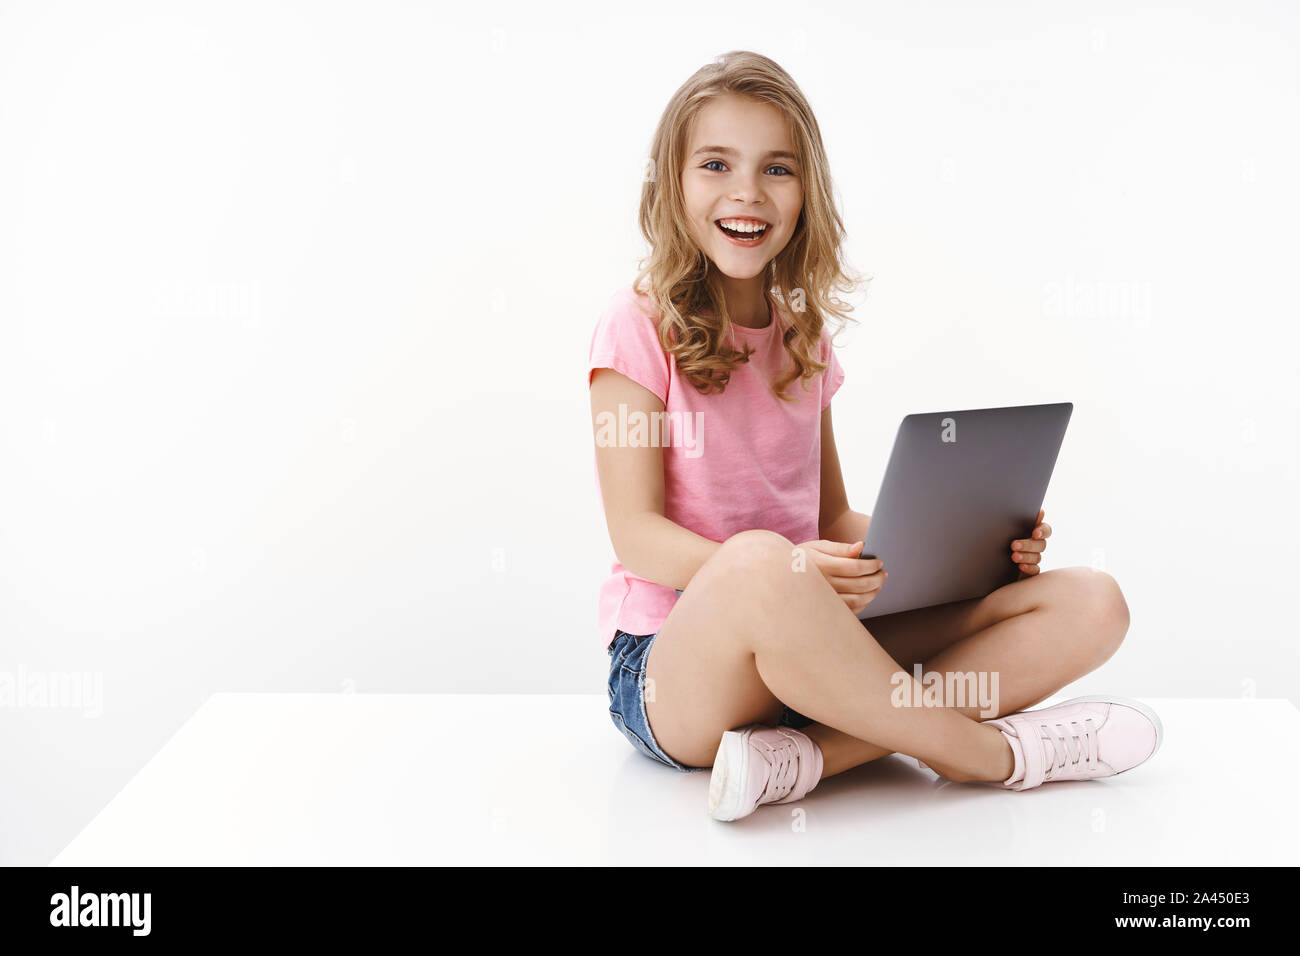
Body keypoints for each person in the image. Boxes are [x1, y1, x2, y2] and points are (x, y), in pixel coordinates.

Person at [587, 51, 1161, 822]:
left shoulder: (803, 335)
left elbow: (829, 524)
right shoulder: (635, 325)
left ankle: (808, 757)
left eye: (777, 169)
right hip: (675, 672)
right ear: (673, 181)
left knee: (1094, 602)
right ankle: (991, 755)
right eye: (716, 164)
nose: (747, 192)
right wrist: (781, 568)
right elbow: (636, 536)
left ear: (805, 192)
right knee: (758, 558)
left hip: (814, 655)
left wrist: (979, 549)